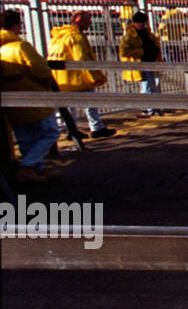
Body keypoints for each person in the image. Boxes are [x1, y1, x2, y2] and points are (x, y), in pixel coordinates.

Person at [1, 10, 63, 182]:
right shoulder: (21, 46)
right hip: (33, 96)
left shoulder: (2, 49)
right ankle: (28, 166)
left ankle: (38, 170)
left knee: (25, 138)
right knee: (50, 133)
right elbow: (41, 71)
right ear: (16, 25)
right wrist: (45, 86)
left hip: (10, 101)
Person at [47, 10, 116, 139]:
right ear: (79, 20)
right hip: (77, 79)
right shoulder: (77, 37)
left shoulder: (58, 37)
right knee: (91, 103)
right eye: (88, 19)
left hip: (62, 80)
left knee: (70, 107)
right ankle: (96, 128)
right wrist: (95, 77)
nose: (90, 22)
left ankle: (71, 130)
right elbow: (83, 60)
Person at [119, 11, 162, 115]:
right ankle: (149, 109)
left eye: (143, 22)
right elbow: (124, 52)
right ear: (134, 23)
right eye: (139, 22)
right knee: (147, 85)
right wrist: (141, 52)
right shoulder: (129, 36)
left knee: (151, 85)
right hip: (140, 63)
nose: (141, 24)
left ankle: (147, 107)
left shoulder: (148, 33)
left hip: (151, 62)